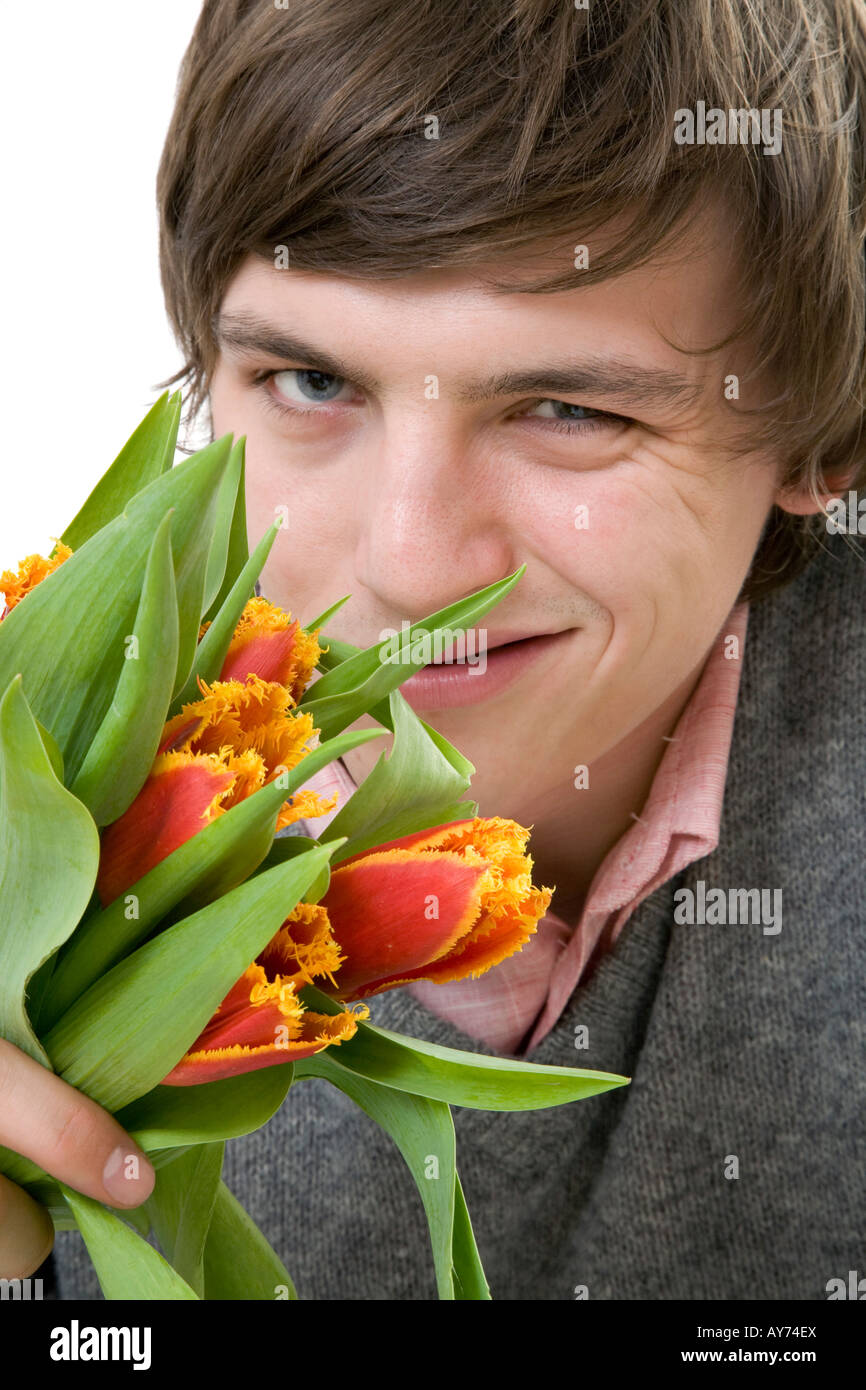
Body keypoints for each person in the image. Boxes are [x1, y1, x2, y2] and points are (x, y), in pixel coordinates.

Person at [2, 0, 864, 1299]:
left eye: (564, 408)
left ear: (822, 435)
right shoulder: (44, 813)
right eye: (311, 383)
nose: (406, 562)